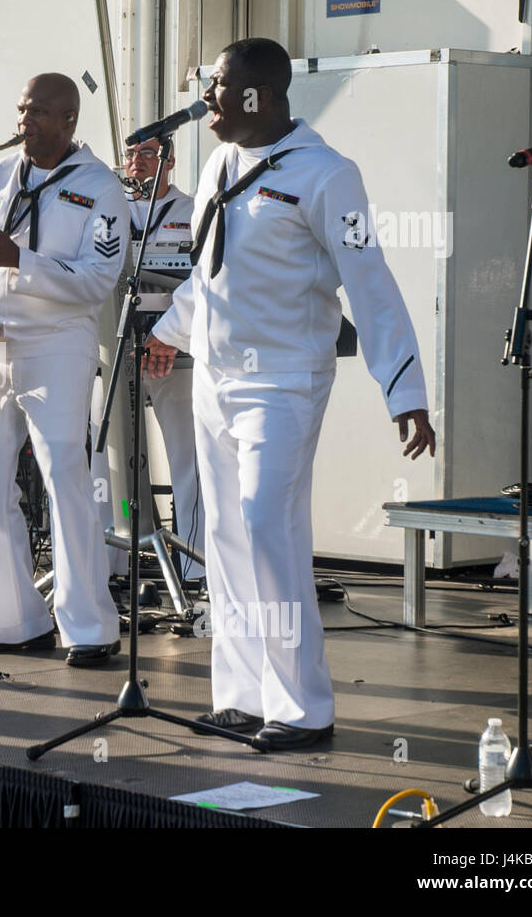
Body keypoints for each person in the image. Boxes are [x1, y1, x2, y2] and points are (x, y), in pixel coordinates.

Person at [145, 38, 436, 750]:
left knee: (268, 530)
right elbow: (210, 271)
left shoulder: (329, 176)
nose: (208, 98)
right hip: (214, 377)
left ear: (263, 98)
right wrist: (169, 331)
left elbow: (371, 283)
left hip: (283, 381)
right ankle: (243, 696)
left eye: (222, 87)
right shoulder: (218, 163)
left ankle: (303, 706)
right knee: (224, 535)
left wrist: (405, 389)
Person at [0, 72, 130, 667]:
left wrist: (20, 260)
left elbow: (97, 283)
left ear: (69, 120)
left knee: (64, 478)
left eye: (38, 113)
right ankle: (16, 620)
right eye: (22, 109)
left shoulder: (102, 189)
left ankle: (90, 626)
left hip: (58, 341)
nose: (24, 121)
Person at [123, 135, 204, 587]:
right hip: (115, 349)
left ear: (170, 160)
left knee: (188, 456)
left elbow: (202, 280)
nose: (137, 161)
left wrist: (170, 333)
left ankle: (194, 566)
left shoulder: (192, 210)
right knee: (109, 462)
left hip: (175, 350)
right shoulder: (106, 207)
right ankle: (114, 563)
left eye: (148, 152)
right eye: (131, 153)